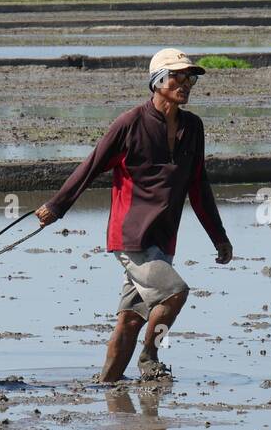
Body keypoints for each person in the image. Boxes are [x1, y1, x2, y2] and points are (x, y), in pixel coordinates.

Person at [35, 48, 235, 383]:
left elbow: (198, 187)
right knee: (175, 292)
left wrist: (220, 237)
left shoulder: (193, 128)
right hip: (131, 237)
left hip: (164, 237)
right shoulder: (130, 124)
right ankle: (151, 355)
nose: (185, 84)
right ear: (157, 81)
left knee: (130, 321)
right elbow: (91, 165)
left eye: (190, 78)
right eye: (177, 76)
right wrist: (57, 206)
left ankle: (107, 387)